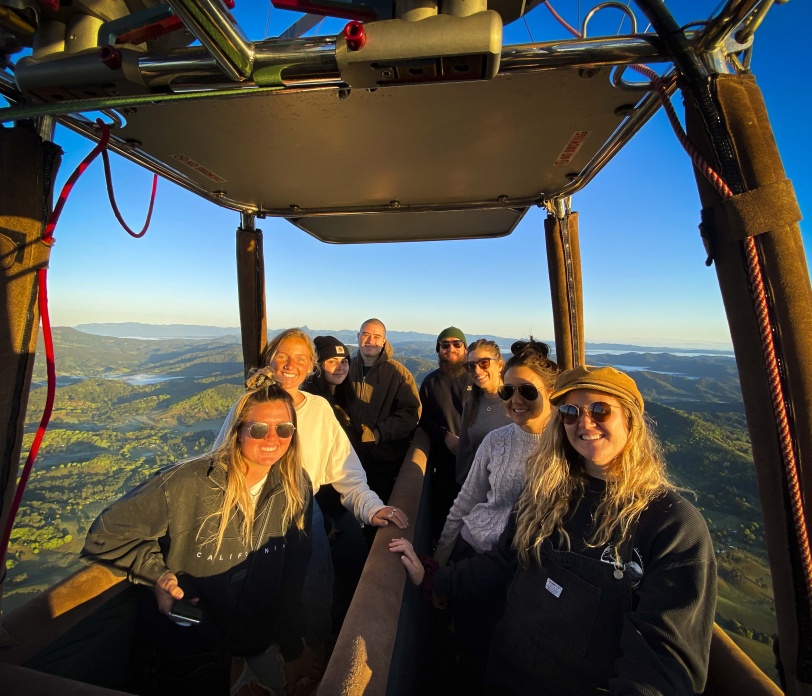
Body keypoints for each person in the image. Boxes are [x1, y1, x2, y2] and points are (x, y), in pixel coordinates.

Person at [392, 365, 716, 695]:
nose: (585, 422)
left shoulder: (671, 525)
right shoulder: (543, 493)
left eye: (601, 410)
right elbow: (501, 562)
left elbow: (662, 665)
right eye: (570, 412)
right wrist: (433, 576)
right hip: (505, 673)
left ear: (630, 420)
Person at [82, 374, 314, 695]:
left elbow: (292, 577)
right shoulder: (186, 483)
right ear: (237, 432)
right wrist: (157, 576)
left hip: (254, 642)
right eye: (259, 429)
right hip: (190, 654)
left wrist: (293, 647)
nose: (272, 438)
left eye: (284, 429)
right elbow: (107, 533)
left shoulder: (296, 486)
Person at [216, 329, 408, 657]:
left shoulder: (318, 410)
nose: (291, 365)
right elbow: (220, 465)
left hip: (305, 516)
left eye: (301, 359)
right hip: (249, 515)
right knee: (254, 595)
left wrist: (373, 508)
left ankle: (311, 661)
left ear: (310, 368)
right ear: (269, 360)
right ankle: (263, 664)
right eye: (283, 356)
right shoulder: (247, 406)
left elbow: (348, 475)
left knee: (313, 593)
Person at [429, 340, 558, 689]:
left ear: (552, 392)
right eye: (507, 391)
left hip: (523, 573)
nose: (515, 400)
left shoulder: (566, 447)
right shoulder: (497, 440)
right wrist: (441, 561)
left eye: (527, 391)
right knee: (471, 650)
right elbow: (465, 502)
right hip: (474, 555)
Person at [347, 318, 421, 504]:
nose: (370, 340)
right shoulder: (345, 369)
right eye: (366, 335)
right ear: (358, 337)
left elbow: (411, 413)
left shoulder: (399, 373)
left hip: (384, 460)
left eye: (376, 336)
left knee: (378, 509)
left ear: (384, 341)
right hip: (348, 458)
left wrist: (378, 433)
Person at [418, 326, 471, 538]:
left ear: (465, 348)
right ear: (438, 349)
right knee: (446, 520)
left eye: (457, 344)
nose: (451, 348)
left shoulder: (477, 380)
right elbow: (423, 420)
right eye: (445, 345)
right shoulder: (430, 382)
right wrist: (444, 436)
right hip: (445, 466)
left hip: (478, 462)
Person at [455, 339, 512, 486]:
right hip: (480, 493)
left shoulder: (517, 402)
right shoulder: (472, 404)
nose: (477, 370)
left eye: (484, 363)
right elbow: (465, 450)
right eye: (471, 366)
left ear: (499, 365)